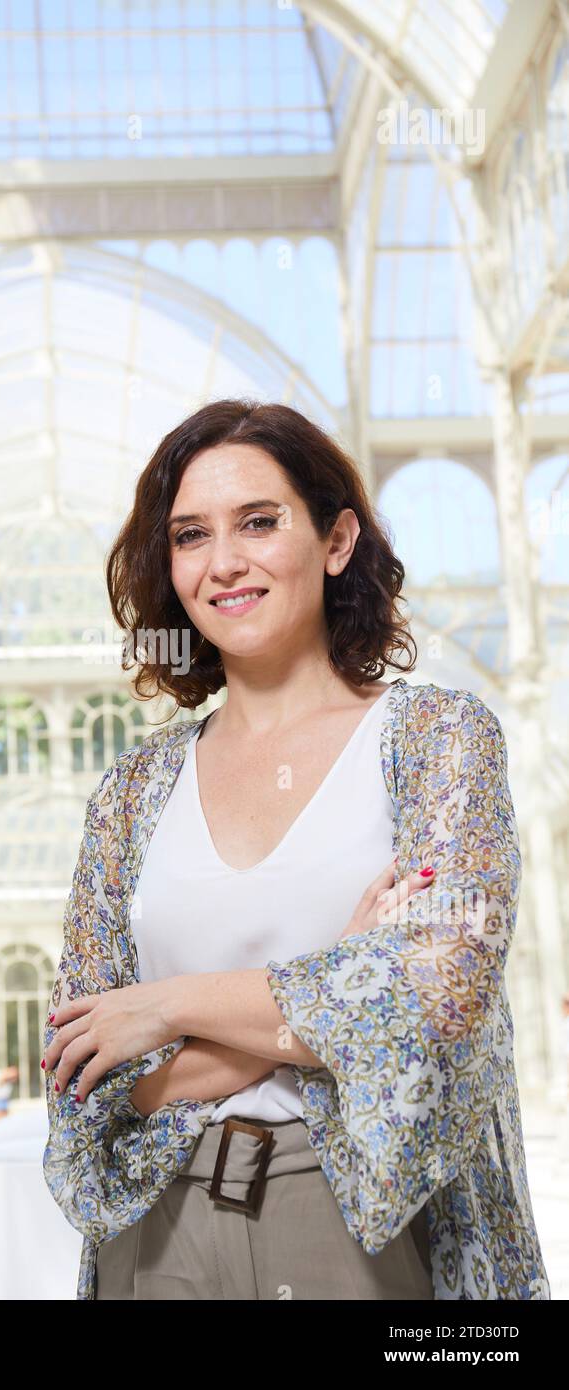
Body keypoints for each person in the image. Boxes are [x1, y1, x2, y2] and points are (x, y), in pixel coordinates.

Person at [41, 399, 551, 1301]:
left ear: (338, 539)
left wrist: (169, 1009)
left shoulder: (436, 739)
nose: (225, 561)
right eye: (191, 534)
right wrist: (338, 989)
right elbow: (91, 1078)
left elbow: (438, 1001)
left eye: (260, 521)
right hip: (161, 1236)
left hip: (363, 1230)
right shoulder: (129, 796)